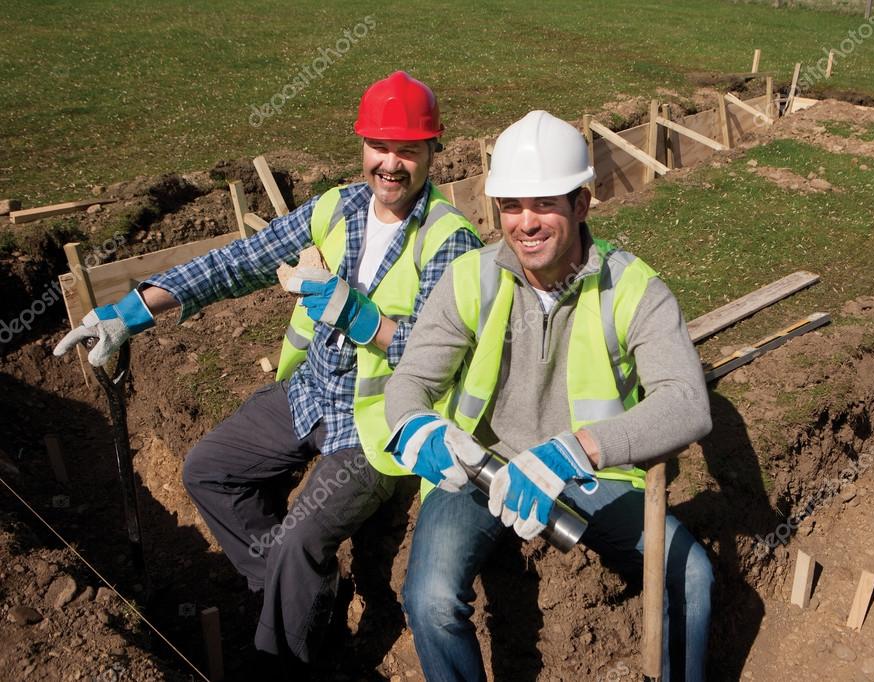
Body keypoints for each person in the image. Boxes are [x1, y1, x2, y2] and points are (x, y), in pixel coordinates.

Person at [54, 71, 483, 677]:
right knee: (208, 470)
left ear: (433, 150)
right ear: (362, 145)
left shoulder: (448, 239)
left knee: (299, 540)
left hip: (379, 424)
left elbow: (441, 355)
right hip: (311, 391)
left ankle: (286, 654)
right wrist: (131, 312)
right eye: (379, 146)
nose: (390, 164)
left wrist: (362, 320)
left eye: (407, 150)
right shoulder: (338, 207)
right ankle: (304, 590)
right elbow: (239, 262)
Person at [384, 110, 715, 682]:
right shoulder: (470, 278)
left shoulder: (632, 288)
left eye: (544, 204)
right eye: (512, 206)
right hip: (484, 469)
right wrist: (418, 425)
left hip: (591, 474)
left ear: (581, 204)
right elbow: (410, 381)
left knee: (692, 576)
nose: (526, 222)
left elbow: (686, 402)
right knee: (430, 600)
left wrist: (575, 451)